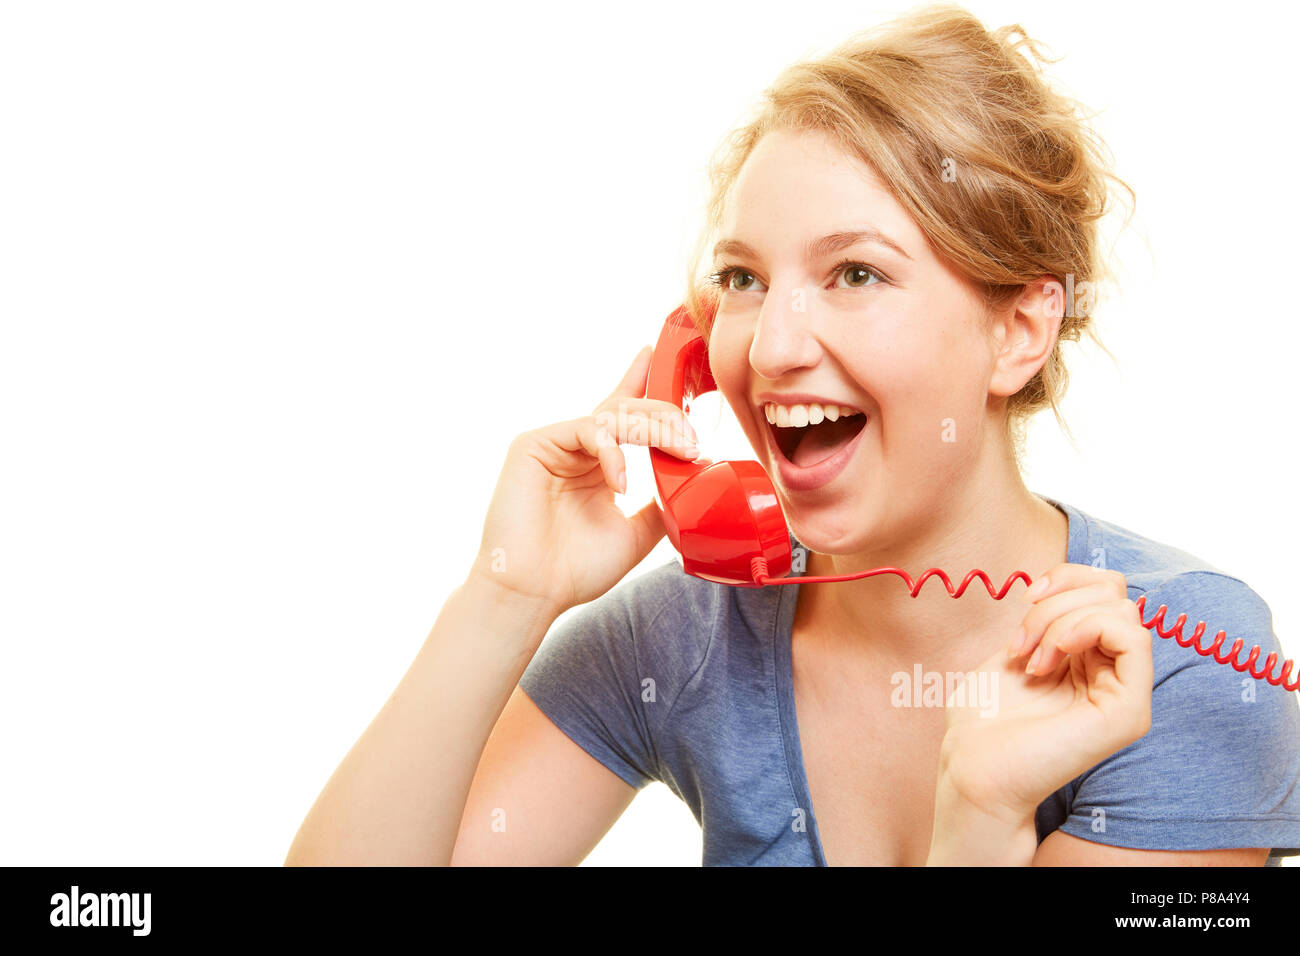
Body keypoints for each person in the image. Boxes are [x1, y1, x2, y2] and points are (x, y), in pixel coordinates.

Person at [284, 3, 1300, 866]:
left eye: (854, 273)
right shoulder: (679, 639)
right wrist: (505, 594)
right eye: (740, 279)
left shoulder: (1176, 661)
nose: (768, 346)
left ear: (1017, 330)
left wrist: (982, 815)